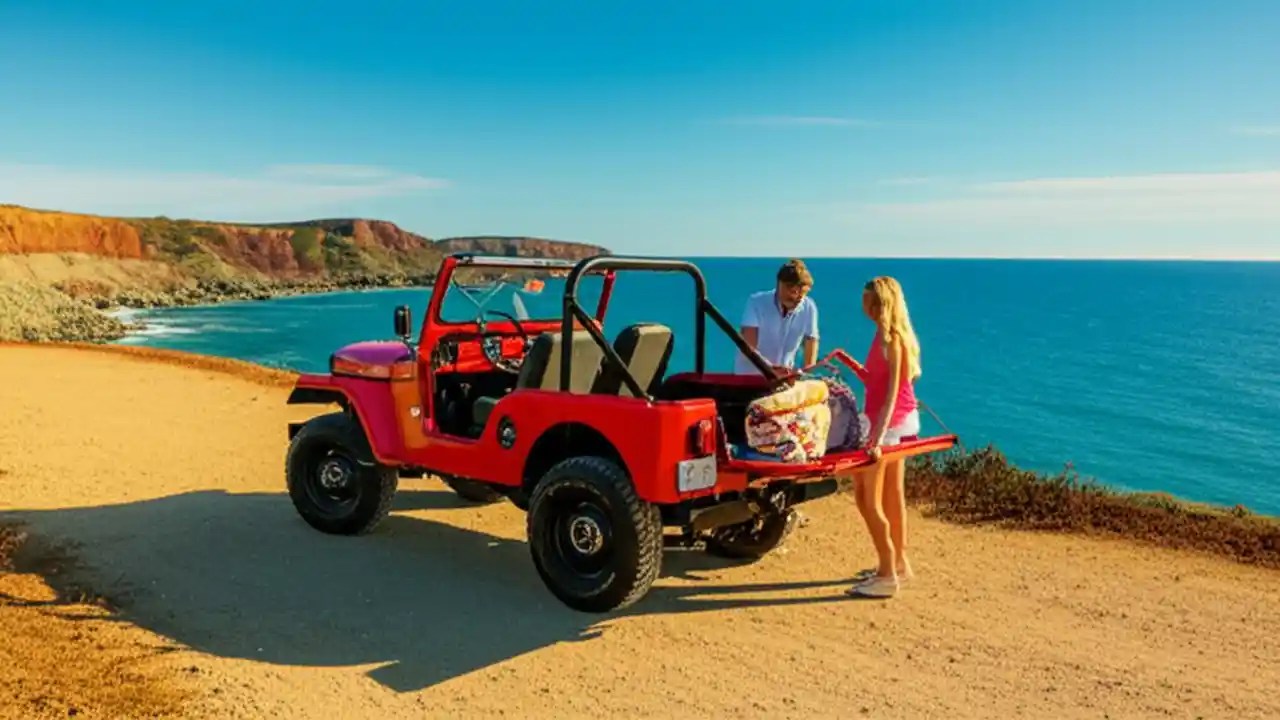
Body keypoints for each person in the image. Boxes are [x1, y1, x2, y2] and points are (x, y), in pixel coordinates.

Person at [844, 275, 922, 599]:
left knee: (866, 498)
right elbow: (875, 381)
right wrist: (852, 365)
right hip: (896, 421)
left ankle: (887, 573)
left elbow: (890, 395)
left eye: (867, 300)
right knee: (892, 496)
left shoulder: (893, 340)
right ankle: (899, 562)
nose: (863, 306)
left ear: (880, 303)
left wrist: (876, 438)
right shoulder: (884, 335)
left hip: (890, 424)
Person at [734, 259, 820, 375]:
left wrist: (807, 373)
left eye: (801, 296)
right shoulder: (756, 303)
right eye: (792, 293)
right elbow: (748, 346)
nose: (796, 299)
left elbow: (811, 340)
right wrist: (771, 368)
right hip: (751, 378)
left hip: (784, 380)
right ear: (780, 284)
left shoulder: (809, 307)